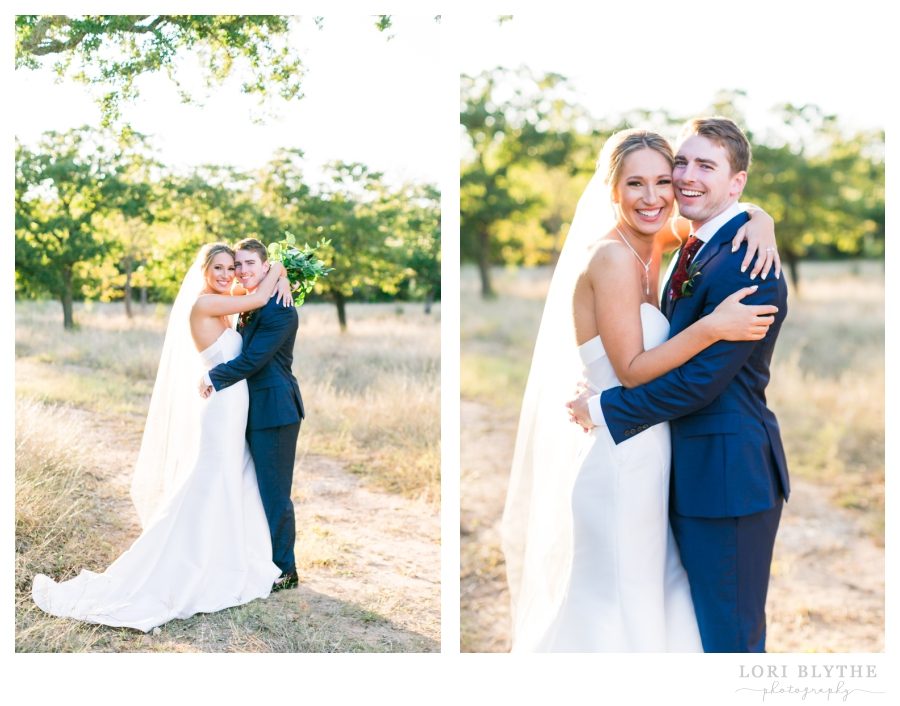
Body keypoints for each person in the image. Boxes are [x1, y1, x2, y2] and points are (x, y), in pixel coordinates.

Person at [502, 127, 780, 652]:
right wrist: (712, 327)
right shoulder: (611, 258)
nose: (651, 196)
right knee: (618, 601)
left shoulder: (659, 239)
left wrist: (761, 219)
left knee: (653, 595)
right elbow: (631, 370)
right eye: (635, 184)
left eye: (661, 181)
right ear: (612, 190)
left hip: (658, 453)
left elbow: (722, 211)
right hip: (622, 457)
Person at [32, 243, 292, 632]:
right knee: (212, 479)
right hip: (221, 406)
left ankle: (230, 556)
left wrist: (281, 276)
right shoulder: (206, 304)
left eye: (231, 268)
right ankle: (191, 564)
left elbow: (255, 289)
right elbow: (257, 295)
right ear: (204, 271)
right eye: (219, 268)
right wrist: (280, 267)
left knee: (234, 478)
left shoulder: (226, 298)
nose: (227, 274)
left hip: (236, 404)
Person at [200, 238, 305, 592]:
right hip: (251, 410)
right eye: (238, 265)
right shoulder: (252, 302)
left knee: (275, 493)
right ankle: (259, 560)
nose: (241, 271)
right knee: (254, 490)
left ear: (264, 266)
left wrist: (213, 377)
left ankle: (286, 570)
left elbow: (252, 360)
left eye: (249, 264)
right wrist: (281, 273)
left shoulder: (279, 308)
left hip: (275, 411)